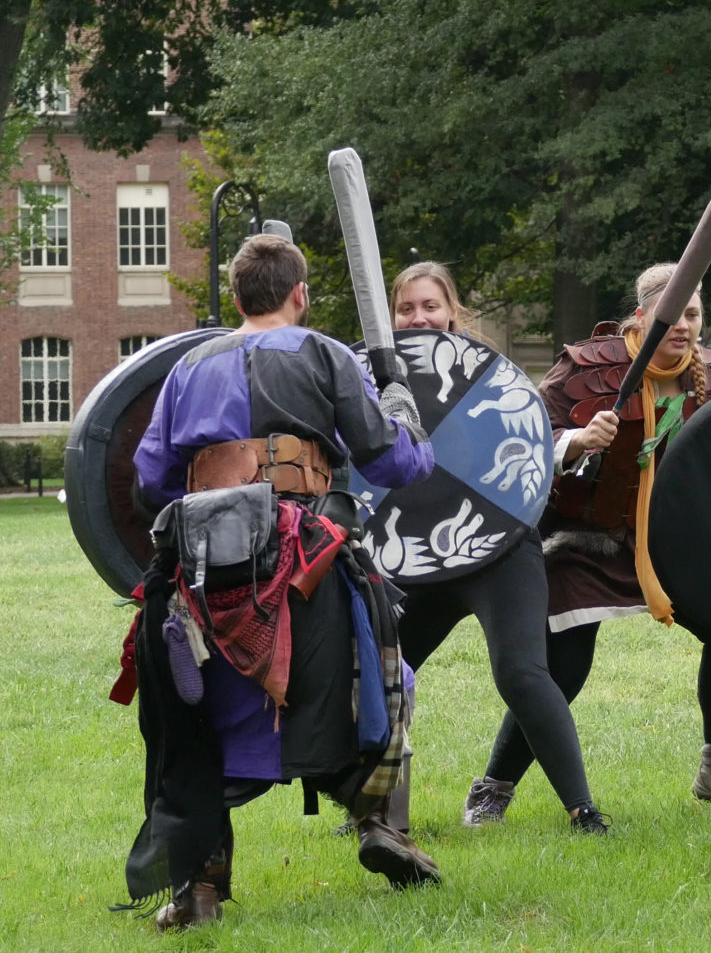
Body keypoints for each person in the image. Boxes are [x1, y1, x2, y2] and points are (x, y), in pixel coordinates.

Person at [116, 234, 441, 931]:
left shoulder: (187, 366)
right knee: (379, 675)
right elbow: (390, 460)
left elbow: (149, 482)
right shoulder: (326, 354)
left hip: (204, 572)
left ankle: (199, 886)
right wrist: (406, 413)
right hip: (304, 560)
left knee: (198, 712)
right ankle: (382, 823)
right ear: (300, 295)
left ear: (235, 298)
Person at [464, 262, 711, 825]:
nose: (684, 326)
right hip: (588, 537)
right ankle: (494, 787)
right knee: (564, 664)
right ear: (643, 315)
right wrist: (575, 441)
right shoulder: (586, 370)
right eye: (673, 315)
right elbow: (521, 438)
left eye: (693, 314)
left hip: (677, 539)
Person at [382, 262, 609, 833]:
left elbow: (530, 436)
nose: (419, 318)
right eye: (406, 308)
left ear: (453, 313)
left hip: (498, 549)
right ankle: (373, 809)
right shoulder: (370, 383)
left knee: (523, 673)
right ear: (390, 317)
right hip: (414, 557)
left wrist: (576, 442)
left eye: (430, 306)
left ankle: (584, 811)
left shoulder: (487, 380)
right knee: (379, 673)